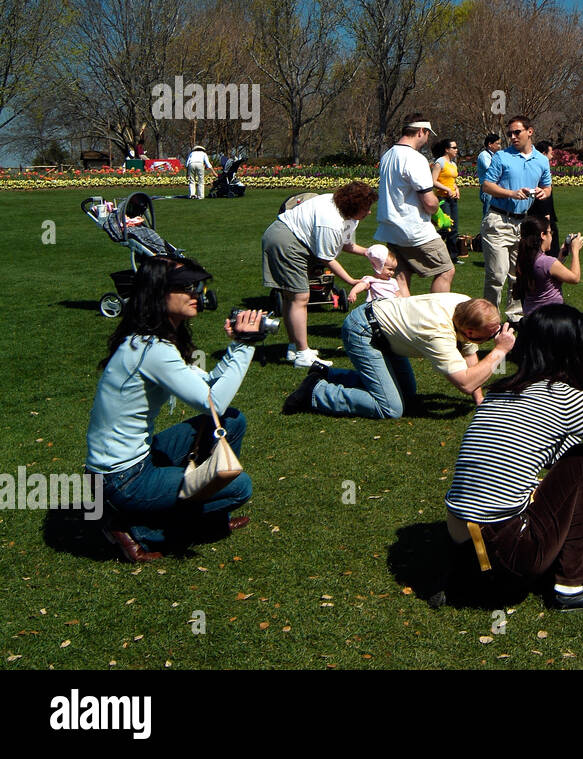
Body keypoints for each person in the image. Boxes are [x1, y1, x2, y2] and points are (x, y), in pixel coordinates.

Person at [444, 304, 583, 611]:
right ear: (571, 350)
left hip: (463, 542)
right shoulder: (565, 396)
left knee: (569, 464)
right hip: (507, 550)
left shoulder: (501, 390)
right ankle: (571, 587)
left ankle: (473, 578)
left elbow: (546, 454)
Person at [86, 256, 267, 562]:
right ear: (158, 293)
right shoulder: (151, 349)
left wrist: (237, 345)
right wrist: (248, 345)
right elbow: (213, 401)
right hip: (122, 477)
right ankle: (135, 528)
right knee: (239, 487)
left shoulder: (151, 341)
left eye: (197, 286)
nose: (197, 293)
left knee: (232, 422)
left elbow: (207, 385)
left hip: (130, 463)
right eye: (186, 287)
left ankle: (199, 516)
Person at [284, 294, 514, 419]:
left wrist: (479, 401)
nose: (488, 341)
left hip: (384, 331)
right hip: (364, 332)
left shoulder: (466, 307)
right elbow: (465, 381)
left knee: (407, 395)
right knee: (391, 408)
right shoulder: (437, 332)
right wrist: (500, 351)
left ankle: (329, 374)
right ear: (470, 332)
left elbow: (468, 353)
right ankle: (316, 390)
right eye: (486, 338)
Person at [262, 180, 375, 368]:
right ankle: (302, 355)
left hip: (289, 238)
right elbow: (326, 258)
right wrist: (350, 280)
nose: (369, 212)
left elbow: (346, 244)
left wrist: (367, 252)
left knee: (293, 298)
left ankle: (296, 347)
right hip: (285, 241)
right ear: (353, 206)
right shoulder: (330, 220)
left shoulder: (346, 214)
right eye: (366, 207)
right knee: (299, 297)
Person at [374, 115, 456, 296]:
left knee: (401, 277)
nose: (427, 139)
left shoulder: (388, 155)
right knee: (446, 269)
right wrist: (437, 212)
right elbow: (428, 201)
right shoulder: (415, 158)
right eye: (427, 134)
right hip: (414, 229)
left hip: (391, 228)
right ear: (421, 131)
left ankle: (403, 322)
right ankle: (435, 319)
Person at [481, 115, 552, 323]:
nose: (512, 137)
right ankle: (489, 321)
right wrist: (512, 193)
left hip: (523, 224)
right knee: (497, 275)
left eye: (517, 132)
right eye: (509, 133)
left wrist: (543, 193)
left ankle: (515, 319)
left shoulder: (541, 160)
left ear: (530, 131)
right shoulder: (502, 157)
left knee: (518, 275)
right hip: (498, 220)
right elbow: (487, 186)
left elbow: (547, 187)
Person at [514, 216, 582, 316]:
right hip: (550, 319)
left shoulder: (525, 258)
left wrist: (561, 256)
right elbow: (575, 278)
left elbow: (547, 274)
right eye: (550, 232)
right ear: (543, 235)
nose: (551, 236)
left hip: (530, 316)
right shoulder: (547, 262)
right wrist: (575, 251)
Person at [432, 138, 463, 261]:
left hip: (452, 199)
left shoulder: (453, 164)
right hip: (442, 198)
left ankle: (453, 256)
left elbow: (452, 181)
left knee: (454, 228)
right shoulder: (440, 162)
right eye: (454, 148)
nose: (456, 150)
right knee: (446, 227)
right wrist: (447, 189)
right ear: (447, 149)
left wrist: (456, 189)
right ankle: (432, 246)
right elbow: (433, 181)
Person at [529, 140, 561, 256]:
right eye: (550, 153)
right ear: (543, 154)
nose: (552, 156)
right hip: (542, 212)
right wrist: (547, 214)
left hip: (543, 212)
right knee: (549, 239)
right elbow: (541, 194)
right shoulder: (538, 168)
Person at [476, 133, 502, 219]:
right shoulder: (484, 155)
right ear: (490, 144)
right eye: (497, 143)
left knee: (495, 214)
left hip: (494, 187)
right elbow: (490, 169)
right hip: (487, 189)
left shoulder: (495, 155)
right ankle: (484, 232)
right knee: (488, 214)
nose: (499, 146)